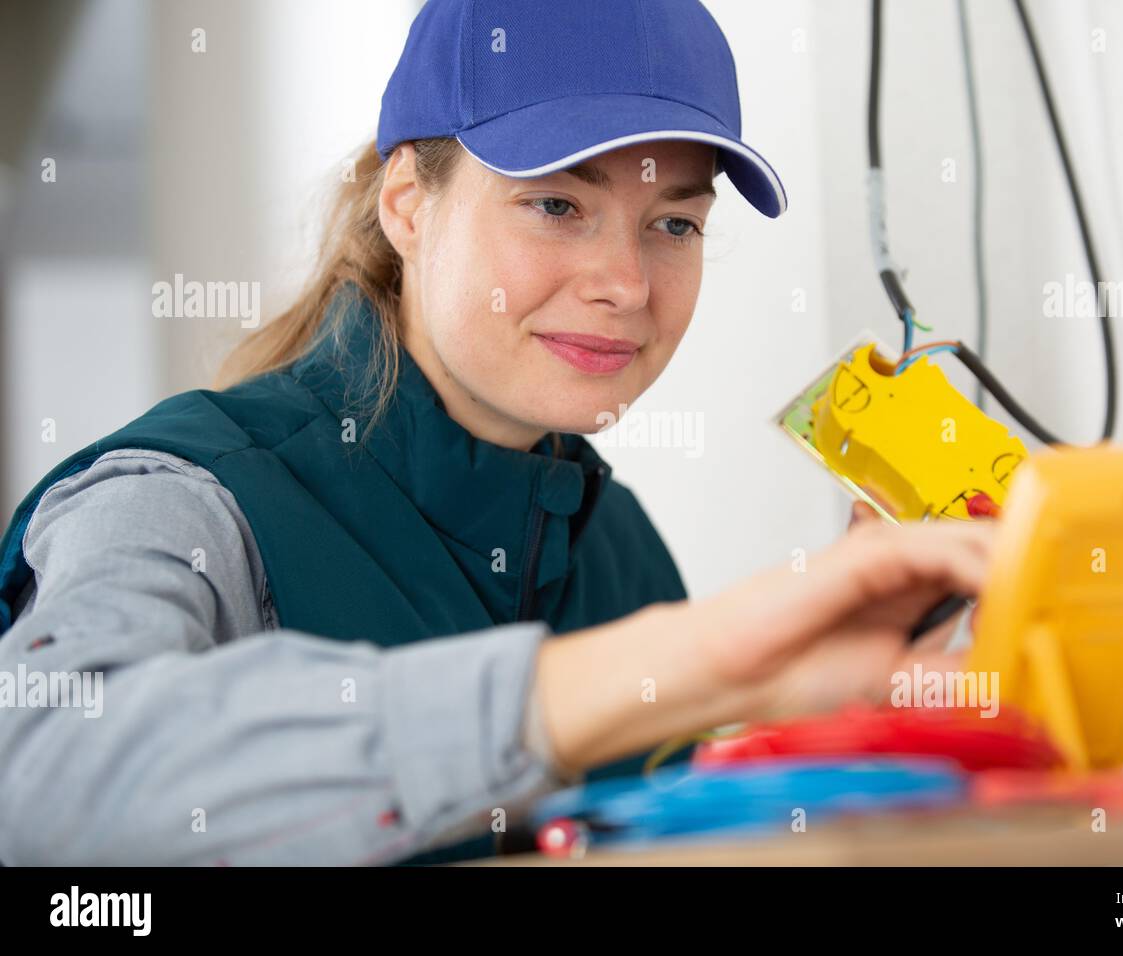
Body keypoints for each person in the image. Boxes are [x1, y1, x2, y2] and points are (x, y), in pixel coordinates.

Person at [0, 0, 992, 865]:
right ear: (407, 205)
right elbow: (37, 775)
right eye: (557, 204)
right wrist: (656, 668)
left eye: (673, 223)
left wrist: (817, 717)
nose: (627, 283)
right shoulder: (180, 497)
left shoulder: (618, 546)